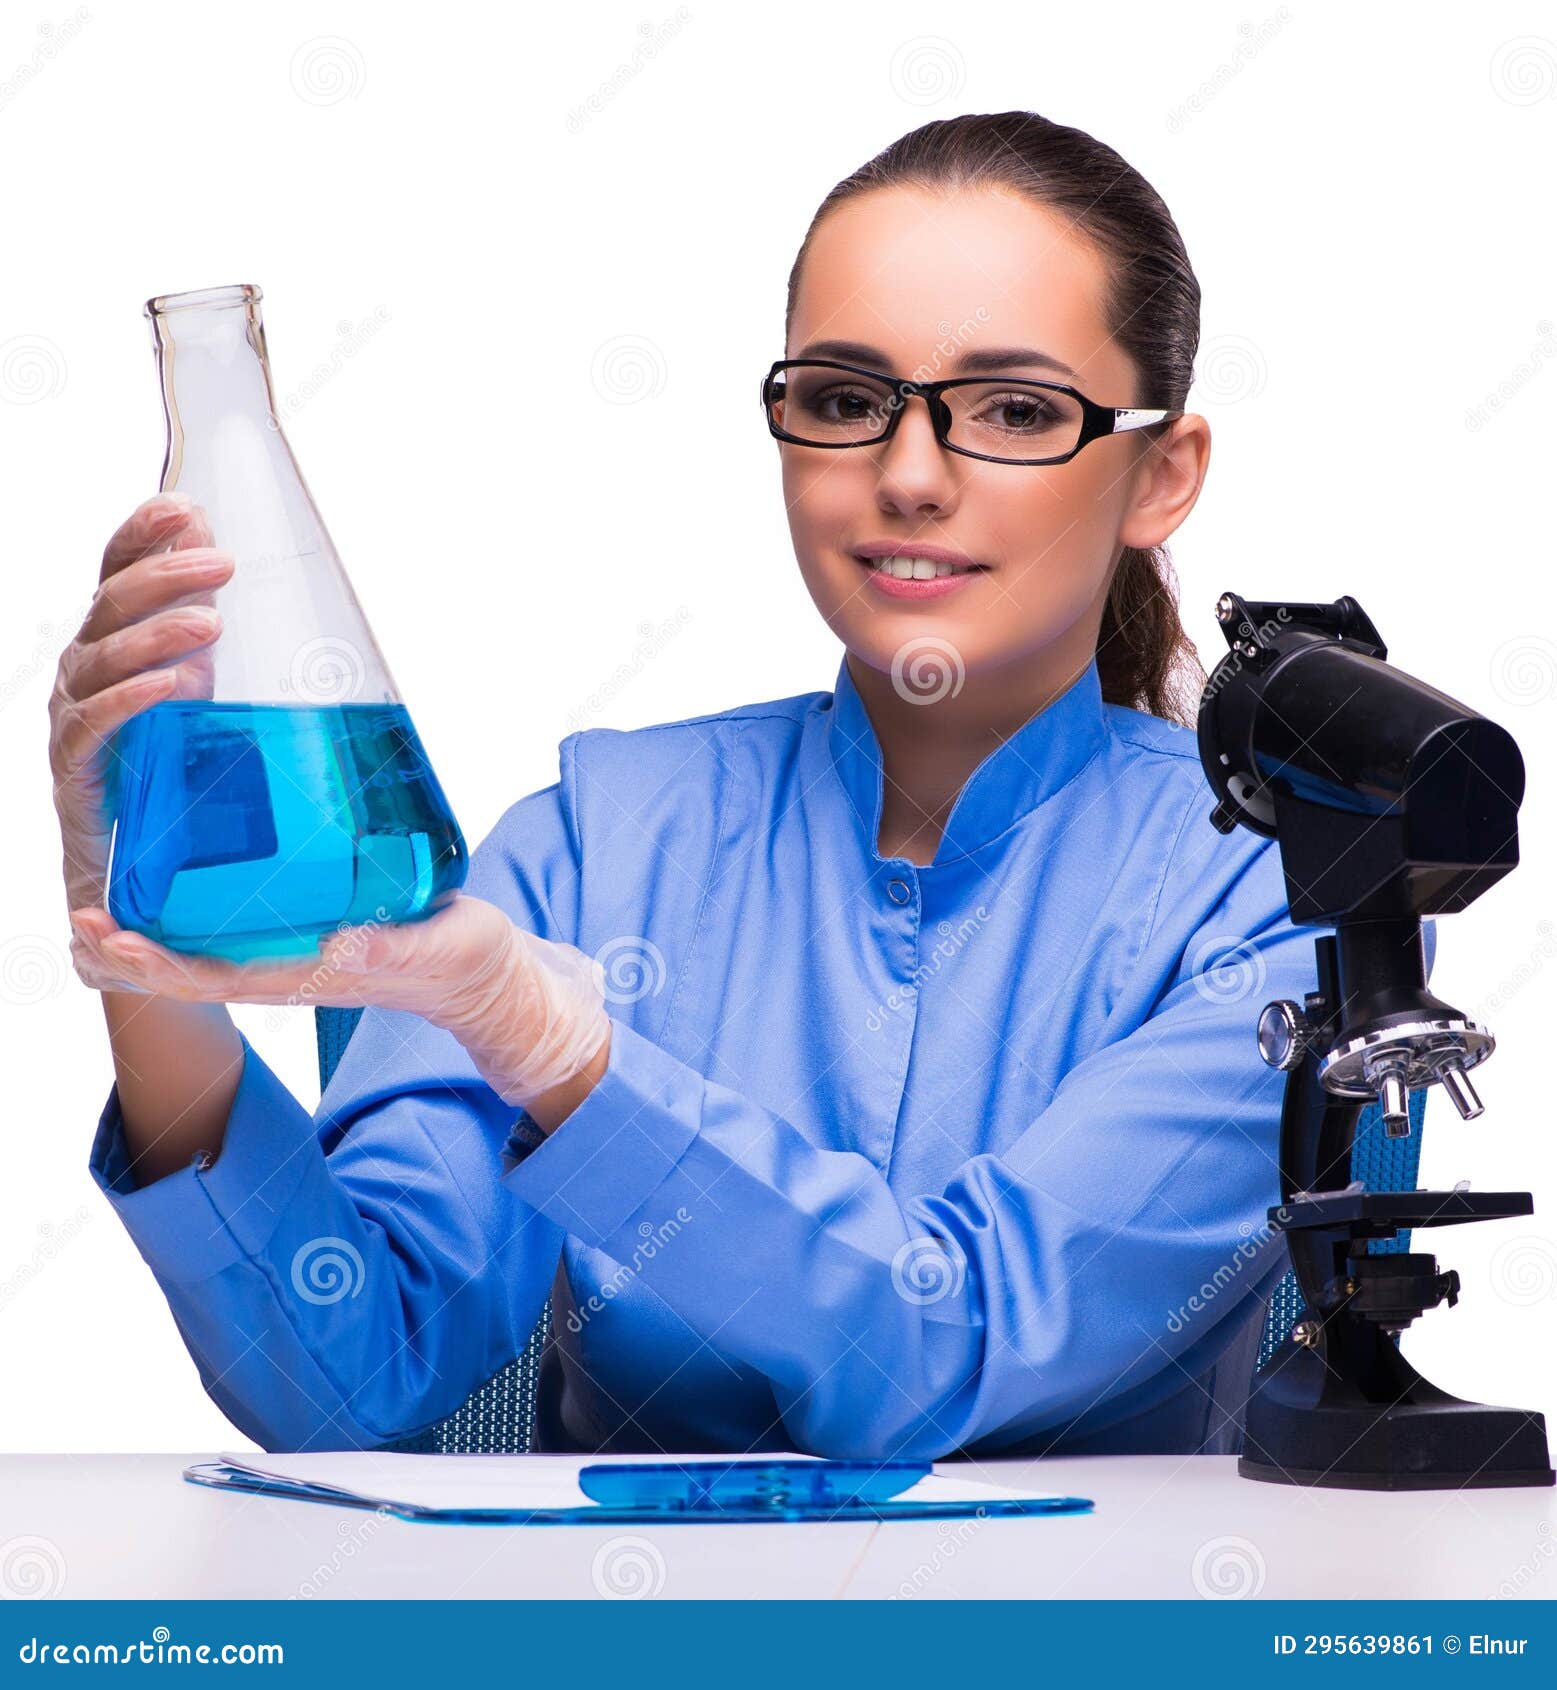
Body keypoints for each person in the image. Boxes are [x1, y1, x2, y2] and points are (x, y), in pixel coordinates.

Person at [52, 110, 1436, 1458]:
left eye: (1014, 411)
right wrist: (138, 935)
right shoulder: (594, 839)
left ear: (1159, 476)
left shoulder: (1285, 890)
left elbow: (940, 1347)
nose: (908, 476)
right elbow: (347, 1381)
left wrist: (567, 1059)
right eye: (844, 400)